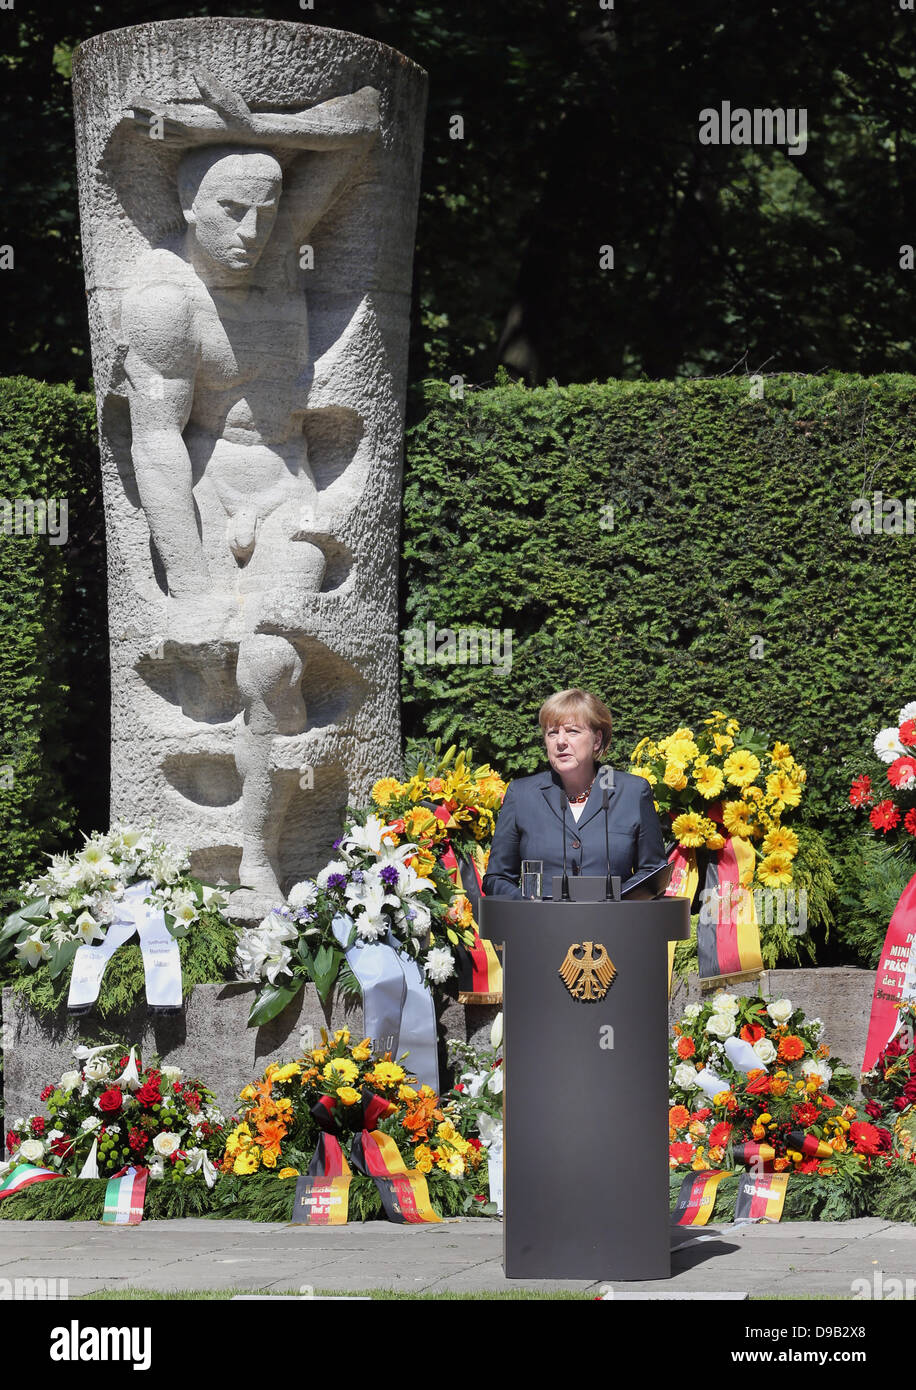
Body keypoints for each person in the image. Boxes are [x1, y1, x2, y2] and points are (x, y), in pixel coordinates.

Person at [481, 688, 669, 899]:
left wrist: (614, 900)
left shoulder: (633, 792)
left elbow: (653, 871)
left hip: (613, 927)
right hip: (540, 928)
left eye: (572, 731)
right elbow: (496, 878)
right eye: (552, 733)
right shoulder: (522, 795)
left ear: (597, 740)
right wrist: (529, 905)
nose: (560, 741)